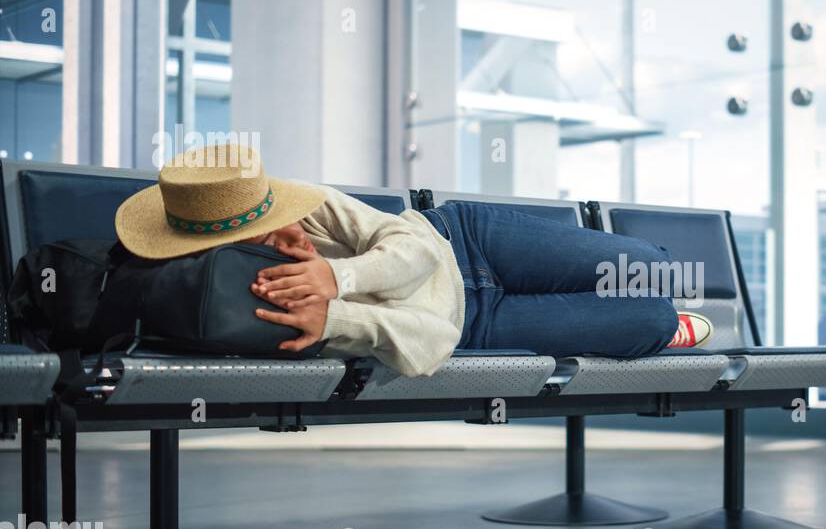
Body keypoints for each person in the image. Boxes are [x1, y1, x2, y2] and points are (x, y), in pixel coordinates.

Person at [113, 143, 712, 377]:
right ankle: (663, 326)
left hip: (464, 239)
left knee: (654, 267)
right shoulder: (250, 296)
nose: (280, 227)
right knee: (652, 319)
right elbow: (431, 341)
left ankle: (648, 312)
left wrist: (337, 274)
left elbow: (417, 248)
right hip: (471, 324)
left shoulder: (309, 207)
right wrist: (339, 315)